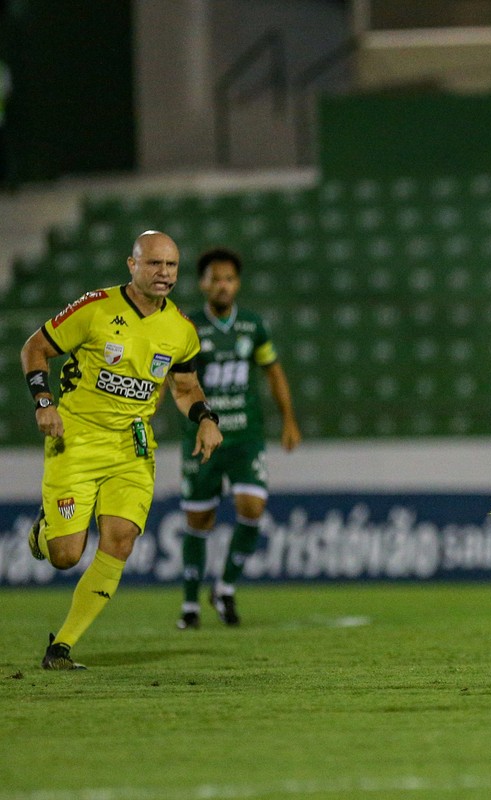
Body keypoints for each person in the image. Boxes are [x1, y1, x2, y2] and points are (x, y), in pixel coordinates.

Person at [21, 231, 223, 670]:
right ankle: (43, 531)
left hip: (132, 445)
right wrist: (44, 402)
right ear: (132, 265)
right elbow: (35, 347)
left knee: (121, 540)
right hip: (75, 439)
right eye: (154, 263)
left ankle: (62, 647)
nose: (164, 273)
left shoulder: (182, 330)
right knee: (65, 555)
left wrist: (207, 418)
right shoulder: (95, 308)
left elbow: (185, 387)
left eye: (171, 265)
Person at [177, 247, 301, 630]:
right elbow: (177, 381)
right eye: (215, 279)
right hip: (203, 437)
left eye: (229, 279)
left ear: (238, 284)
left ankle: (225, 588)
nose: (223, 285)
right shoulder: (188, 328)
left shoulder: (252, 326)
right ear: (203, 284)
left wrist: (288, 420)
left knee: (252, 507)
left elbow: (273, 372)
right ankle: (189, 606)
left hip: (246, 434)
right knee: (199, 519)